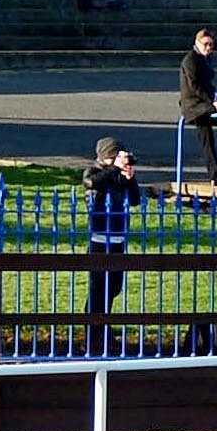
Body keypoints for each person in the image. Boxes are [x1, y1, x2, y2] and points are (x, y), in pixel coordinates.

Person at [82, 136, 140, 350]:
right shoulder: (94, 172)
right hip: (99, 239)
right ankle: (93, 334)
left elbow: (134, 200)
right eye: (116, 155)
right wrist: (115, 169)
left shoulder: (117, 175)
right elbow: (91, 183)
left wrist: (130, 178)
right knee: (98, 290)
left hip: (118, 239)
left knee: (113, 288)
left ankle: (103, 329)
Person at [178, 25, 217, 187]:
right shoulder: (190, 60)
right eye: (206, 44)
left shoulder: (204, 59)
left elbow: (206, 83)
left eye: (211, 45)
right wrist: (214, 101)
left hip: (202, 103)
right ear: (197, 43)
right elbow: (195, 86)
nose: (209, 48)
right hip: (194, 105)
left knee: (207, 142)